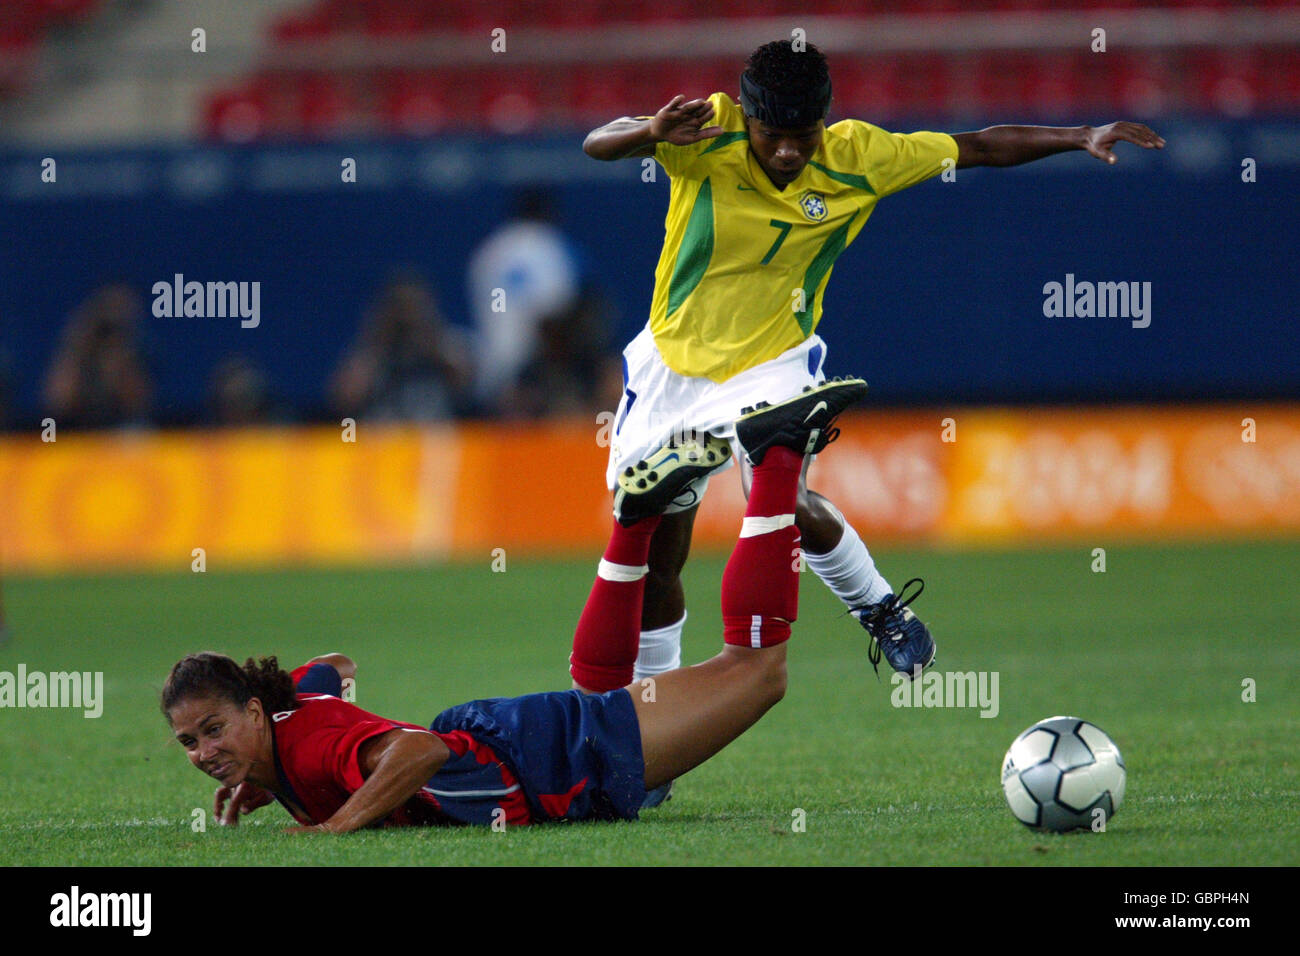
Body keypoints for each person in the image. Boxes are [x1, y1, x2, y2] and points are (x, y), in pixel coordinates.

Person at [581, 40, 1165, 686]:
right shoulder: (703, 132)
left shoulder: (860, 156)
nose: (786, 152)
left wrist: (1081, 134)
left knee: (782, 497)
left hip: (772, 362)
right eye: (772, 136)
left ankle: (881, 608)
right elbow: (598, 144)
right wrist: (649, 131)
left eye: (802, 137)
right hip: (671, 368)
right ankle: (655, 715)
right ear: (747, 118)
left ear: (823, 124)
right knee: (657, 548)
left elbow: (979, 146)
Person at [162, 380, 866, 831]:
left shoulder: (308, 747)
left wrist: (333, 824)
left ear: (255, 711)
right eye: (191, 741)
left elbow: (418, 750)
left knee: (759, 670)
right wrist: (268, 773)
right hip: (514, 736)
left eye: (214, 729)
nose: (204, 752)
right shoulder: (288, 718)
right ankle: (638, 517)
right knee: (645, 703)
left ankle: (774, 455)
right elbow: (335, 669)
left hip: (547, 760)